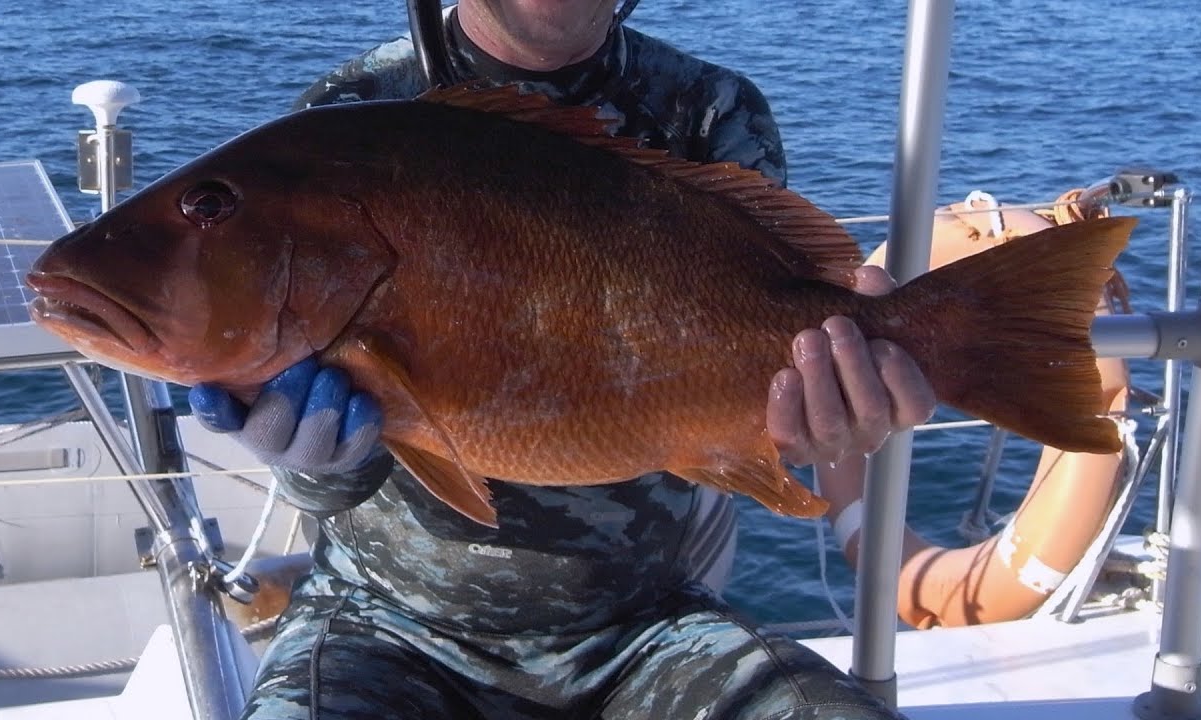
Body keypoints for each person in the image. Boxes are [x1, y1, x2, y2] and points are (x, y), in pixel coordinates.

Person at [188, 1, 936, 718]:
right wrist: (312, 458)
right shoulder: (351, 109)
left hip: (646, 627)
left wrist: (818, 411)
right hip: (382, 625)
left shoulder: (710, 110)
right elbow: (327, 478)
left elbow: (755, 349)